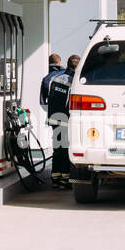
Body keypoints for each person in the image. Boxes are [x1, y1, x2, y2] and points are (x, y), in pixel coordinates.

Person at [40, 55, 73, 189]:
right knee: (65, 148)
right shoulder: (70, 79)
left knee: (57, 147)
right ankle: (65, 179)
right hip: (66, 118)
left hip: (54, 118)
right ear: (60, 62)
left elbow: (43, 102)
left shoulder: (48, 78)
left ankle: (56, 178)